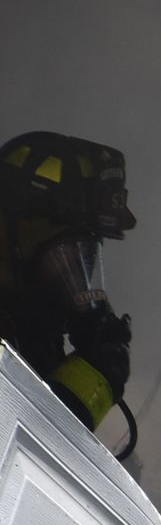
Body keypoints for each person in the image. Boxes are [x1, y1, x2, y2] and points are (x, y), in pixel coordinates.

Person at [0, 131, 135, 432]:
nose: (76, 276)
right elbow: (19, 436)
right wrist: (93, 377)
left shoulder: (25, 328)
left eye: (87, 258)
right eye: (66, 254)